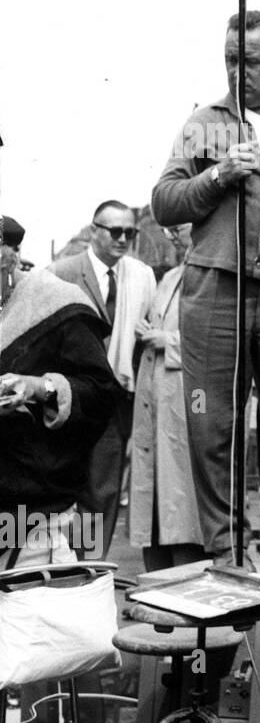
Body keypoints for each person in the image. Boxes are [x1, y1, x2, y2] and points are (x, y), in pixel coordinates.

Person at [152, 10, 260, 567]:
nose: (237, 72)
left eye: (250, 61)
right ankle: (226, 556)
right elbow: (163, 202)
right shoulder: (205, 122)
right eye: (229, 59)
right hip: (216, 291)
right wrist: (220, 173)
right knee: (211, 427)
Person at [1, 216, 118, 723]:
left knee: (43, 679)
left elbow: (101, 392)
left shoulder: (55, 305)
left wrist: (42, 387)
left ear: (11, 256)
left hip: (34, 518)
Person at [49, 200, 156, 557]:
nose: (124, 238)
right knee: (60, 489)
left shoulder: (141, 276)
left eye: (131, 232)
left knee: (104, 490)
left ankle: (90, 569)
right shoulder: (60, 273)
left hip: (113, 401)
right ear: (94, 231)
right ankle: (56, 570)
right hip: (68, 400)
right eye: (116, 231)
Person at [128, 249, 207, 572]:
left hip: (188, 402)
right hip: (157, 399)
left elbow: (222, 338)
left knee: (184, 504)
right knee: (158, 500)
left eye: (182, 226)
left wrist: (170, 341)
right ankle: (158, 587)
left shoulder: (215, 278)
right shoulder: (170, 277)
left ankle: (187, 584)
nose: (174, 233)